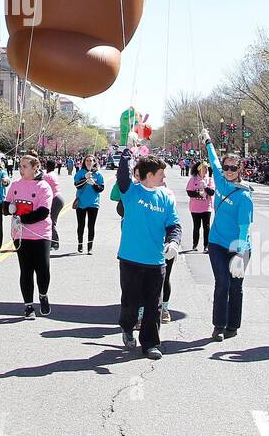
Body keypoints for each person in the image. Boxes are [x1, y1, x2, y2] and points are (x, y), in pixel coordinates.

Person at [114, 153, 181, 360]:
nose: (164, 177)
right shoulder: (130, 192)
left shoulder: (165, 197)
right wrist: (126, 153)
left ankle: (150, 343)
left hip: (156, 260)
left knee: (154, 304)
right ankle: (127, 327)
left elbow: (174, 225)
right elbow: (122, 177)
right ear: (149, 175)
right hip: (130, 259)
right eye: (161, 173)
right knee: (131, 302)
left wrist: (173, 242)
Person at [204, 132, 253, 341]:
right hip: (216, 242)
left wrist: (241, 255)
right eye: (227, 167)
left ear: (240, 168)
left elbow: (244, 228)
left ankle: (233, 325)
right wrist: (207, 140)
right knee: (221, 282)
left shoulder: (244, 196)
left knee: (235, 286)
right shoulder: (220, 180)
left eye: (234, 168)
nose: (229, 171)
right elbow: (213, 159)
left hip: (238, 246)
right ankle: (218, 326)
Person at [3, 155, 53, 319]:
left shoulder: (43, 186)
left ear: (35, 168)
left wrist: (22, 218)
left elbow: (43, 212)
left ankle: (43, 295)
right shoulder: (16, 184)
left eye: (25, 166)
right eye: (20, 165)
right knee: (26, 270)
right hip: (20, 235)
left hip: (40, 234)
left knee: (42, 269)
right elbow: (6, 205)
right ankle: (28, 306)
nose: (21, 169)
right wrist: (9, 208)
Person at [72, 154, 104, 255]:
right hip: (81, 202)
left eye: (91, 160)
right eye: (87, 161)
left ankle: (90, 247)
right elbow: (77, 186)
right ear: (84, 162)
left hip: (93, 203)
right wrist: (84, 179)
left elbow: (101, 189)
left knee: (91, 226)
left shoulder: (98, 175)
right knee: (81, 225)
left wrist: (94, 183)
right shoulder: (80, 173)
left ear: (94, 162)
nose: (89, 162)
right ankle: (80, 244)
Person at [185, 160, 214, 251]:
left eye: (206, 168)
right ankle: (195, 245)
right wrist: (199, 193)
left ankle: (206, 246)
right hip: (195, 208)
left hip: (206, 207)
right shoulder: (193, 179)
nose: (206, 170)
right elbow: (189, 192)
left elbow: (212, 192)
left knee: (207, 227)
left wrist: (205, 187)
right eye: (204, 168)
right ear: (199, 169)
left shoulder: (209, 180)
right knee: (196, 226)